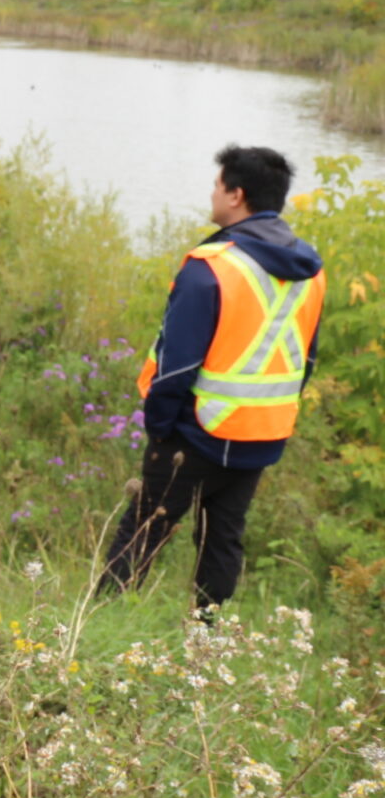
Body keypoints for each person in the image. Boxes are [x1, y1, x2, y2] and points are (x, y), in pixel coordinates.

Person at [98, 144, 324, 610]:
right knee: (222, 540)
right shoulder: (312, 273)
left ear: (236, 195)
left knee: (142, 529)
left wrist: (160, 429)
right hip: (262, 433)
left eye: (217, 185)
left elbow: (176, 366)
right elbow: (308, 360)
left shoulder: (212, 268)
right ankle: (205, 646)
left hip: (194, 433)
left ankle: (98, 621)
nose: (212, 193)